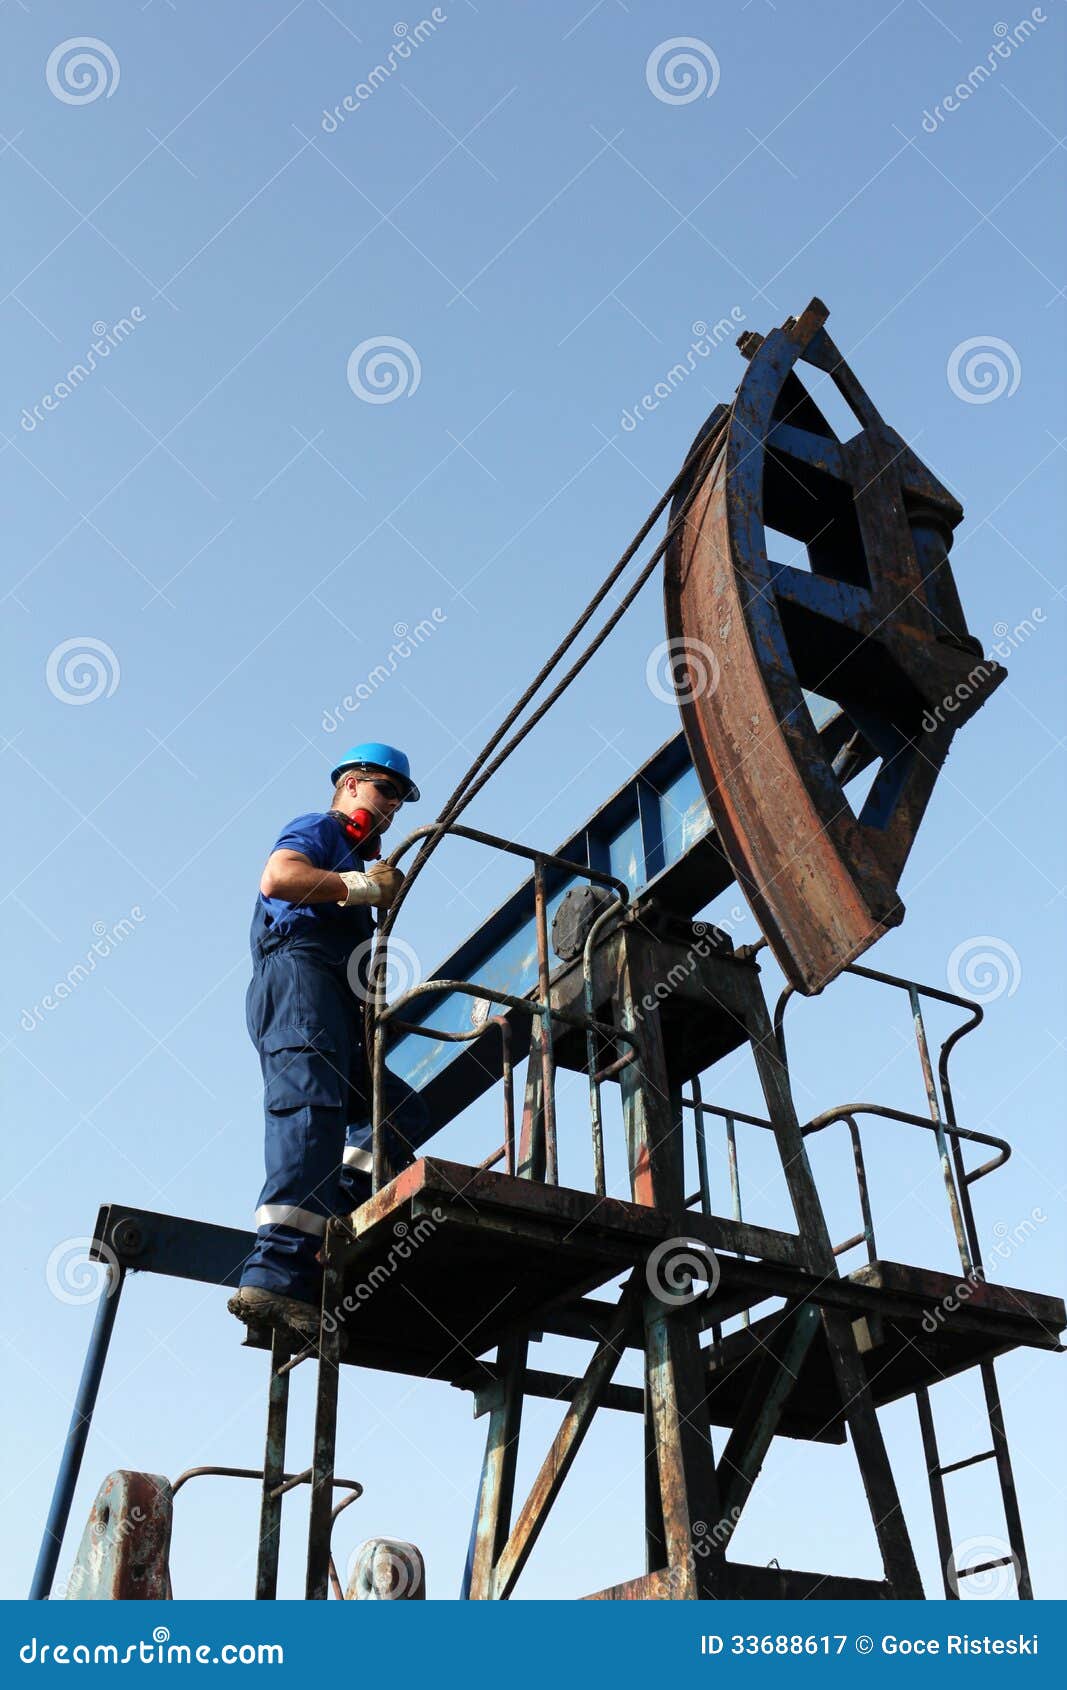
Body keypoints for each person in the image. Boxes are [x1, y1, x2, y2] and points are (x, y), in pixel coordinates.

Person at [228, 742, 430, 1341]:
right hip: (298, 982)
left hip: (334, 1002)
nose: (391, 806)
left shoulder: (355, 860)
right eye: (384, 789)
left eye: (400, 798)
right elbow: (279, 877)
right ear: (349, 785)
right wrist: (360, 888)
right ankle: (274, 1273)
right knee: (311, 1111)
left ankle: (332, 1218)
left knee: (395, 1111)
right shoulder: (320, 829)